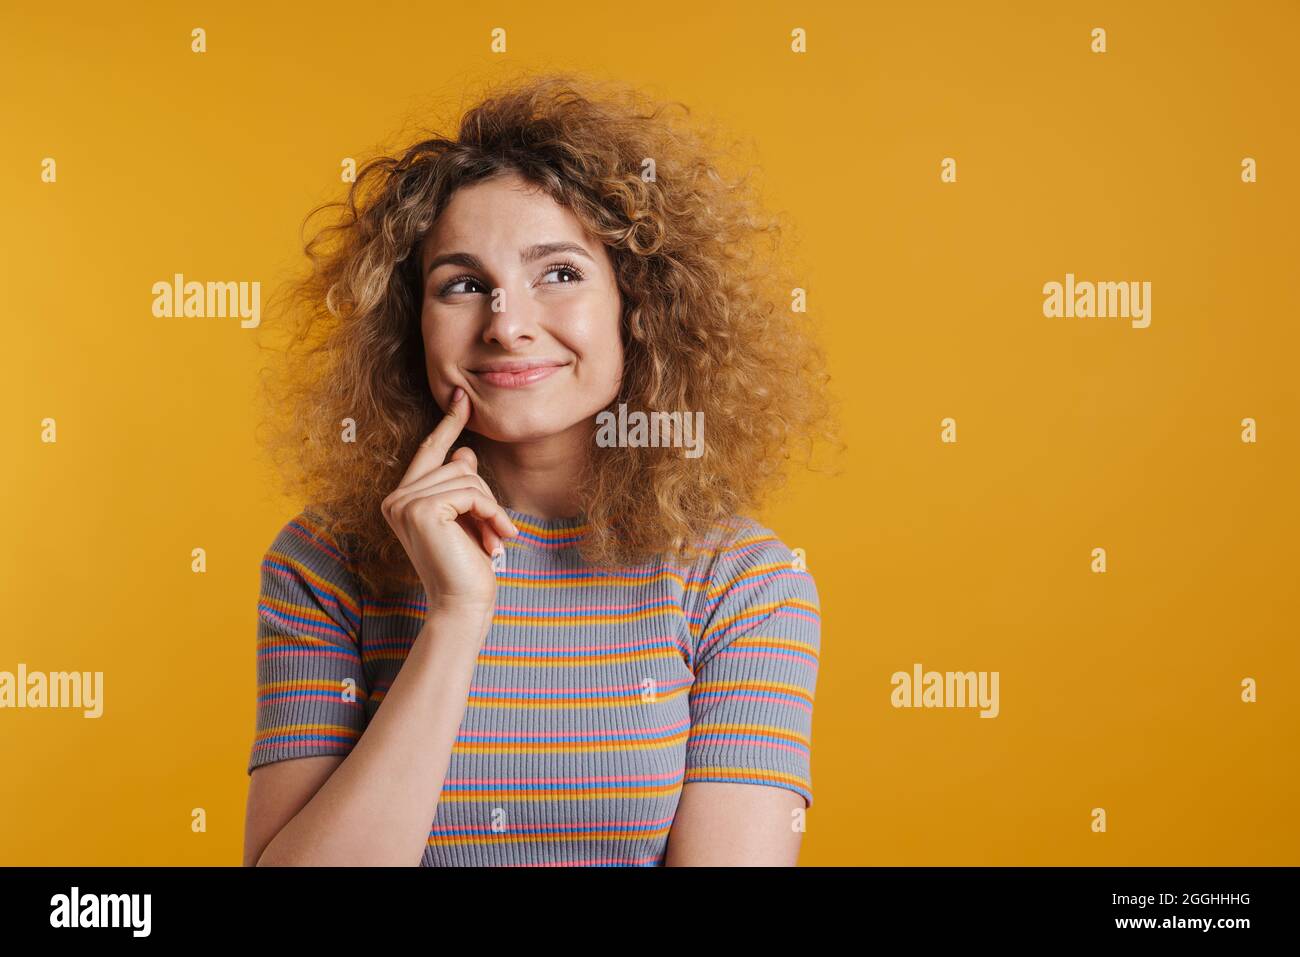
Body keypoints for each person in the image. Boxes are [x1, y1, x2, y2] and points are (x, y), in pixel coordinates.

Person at [243, 72, 836, 866]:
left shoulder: (743, 583)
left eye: (558, 273)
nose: (507, 325)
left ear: (639, 306)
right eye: (462, 284)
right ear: (408, 326)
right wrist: (454, 619)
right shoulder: (324, 563)